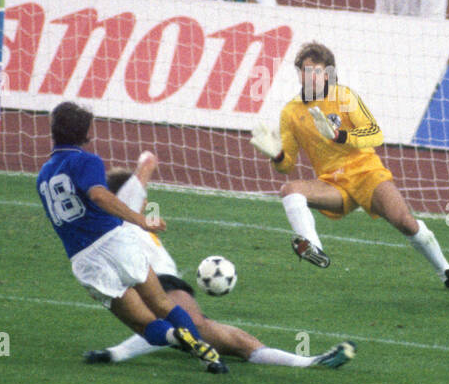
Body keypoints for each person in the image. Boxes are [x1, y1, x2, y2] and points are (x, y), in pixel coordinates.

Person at [83, 151, 356, 368]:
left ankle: (310, 362)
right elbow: (148, 162)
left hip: (151, 287)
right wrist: (142, 161)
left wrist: (113, 353)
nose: (143, 201)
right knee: (195, 327)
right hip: (160, 284)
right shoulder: (124, 207)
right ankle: (309, 362)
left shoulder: (121, 223)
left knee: (237, 343)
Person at [249, 41, 449, 294]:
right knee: (289, 189)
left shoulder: (344, 97)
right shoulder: (290, 112)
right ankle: (313, 247)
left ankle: (448, 274)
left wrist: (341, 136)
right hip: (332, 183)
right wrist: (277, 155)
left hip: (367, 174)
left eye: (317, 71)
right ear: (299, 73)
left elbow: (375, 134)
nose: (311, 77)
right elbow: (287, 166)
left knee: (405, 222)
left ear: (328, 74)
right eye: (306, 71)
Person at [36, 102, 228, 373]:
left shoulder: (43, 177)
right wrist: (140, 220)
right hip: (115, 242)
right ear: (86, 134)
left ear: (54, 131)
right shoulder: (86, 160)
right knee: (162, 304)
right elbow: (99, 195)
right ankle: (205, 353)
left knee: (143, 324)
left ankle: (177, 338)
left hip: (84, 259)